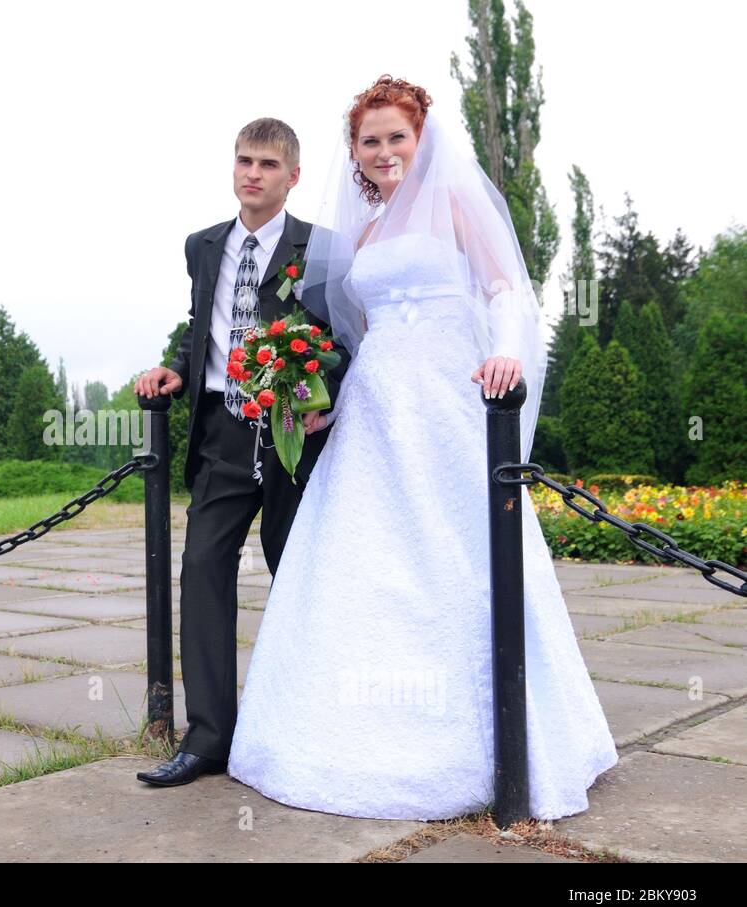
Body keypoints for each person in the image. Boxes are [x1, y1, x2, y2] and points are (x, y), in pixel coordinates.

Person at [225, 76, 619, 821]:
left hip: (446, 397)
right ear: (354, 152)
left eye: (395, 137)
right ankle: (338, 736)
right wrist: (315, 403)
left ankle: (492, 744)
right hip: (375, 409)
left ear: (421, 138)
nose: (382, 152)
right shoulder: (362, 238)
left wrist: (505, 354)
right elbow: (354, 336)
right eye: (368, 141)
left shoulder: (456, 203)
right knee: (361, 557)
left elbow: (506, 290)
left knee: (462, 552)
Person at [133, 118, 352, 786]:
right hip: (225, 432)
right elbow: (202, 324)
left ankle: (310, 727)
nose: (251, 173)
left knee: (297, 576)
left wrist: (320, 391)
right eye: (243, 161)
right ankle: (207, 739)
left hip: (293, 438)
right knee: (201, 568)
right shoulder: (203, 246)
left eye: (266, 164)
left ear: (292, 176)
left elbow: (342, 339)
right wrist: (175, 367)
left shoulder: (321, 249)